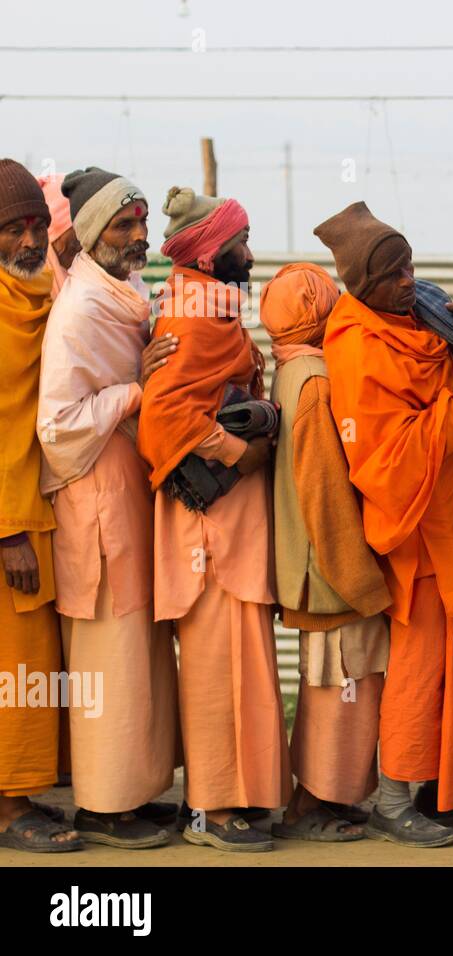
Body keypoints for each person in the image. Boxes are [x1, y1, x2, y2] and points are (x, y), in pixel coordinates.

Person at [319, 201, 453, 847]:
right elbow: (386, 456)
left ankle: (449, 788)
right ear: (361, 287)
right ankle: (395, 796)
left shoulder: (421, 312)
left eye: (408, 266)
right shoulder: (357, 347)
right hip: (417, 530)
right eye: (393, 274)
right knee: (421, 667)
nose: (410, 281)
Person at [138, 185, 292, 851]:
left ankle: (228, 798)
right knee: (216, 670)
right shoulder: (195, 317)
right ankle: (212, 809)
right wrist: (241, 451)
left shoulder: (209, 306)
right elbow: (163, 417)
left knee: (238, 665)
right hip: (211, 530)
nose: (250, 255)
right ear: (208, 253)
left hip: (226, 524)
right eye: (240, 244)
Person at [38, 167, 180, 849]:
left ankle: (138, 793)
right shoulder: (81, 311)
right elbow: (58, 424)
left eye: (143, 223)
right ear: (93, 234)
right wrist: (135, 391)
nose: (139, 236)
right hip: (95, 502)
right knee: (107, 658)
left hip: (129, 494)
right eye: (125, 225)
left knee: (140, 655)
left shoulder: (125, 292)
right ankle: (100, 808)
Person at [262, 262, 392, 844]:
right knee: (341, 688)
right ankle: (310, 804)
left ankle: (322, 798)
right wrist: (359, 576)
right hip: (329, 569)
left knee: (334, 687)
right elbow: (324, 493)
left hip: (312, 565)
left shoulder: (291, 368)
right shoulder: (315, 380)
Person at [0, 158, 81, 853]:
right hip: (8, 524)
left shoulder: (37, 298)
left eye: (35, 227)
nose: (29, 243)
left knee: (31, 666)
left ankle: (20, 794)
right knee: (12, 666)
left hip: (38, 509)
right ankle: (5, 809)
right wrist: (6, 535)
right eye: (12, 231)